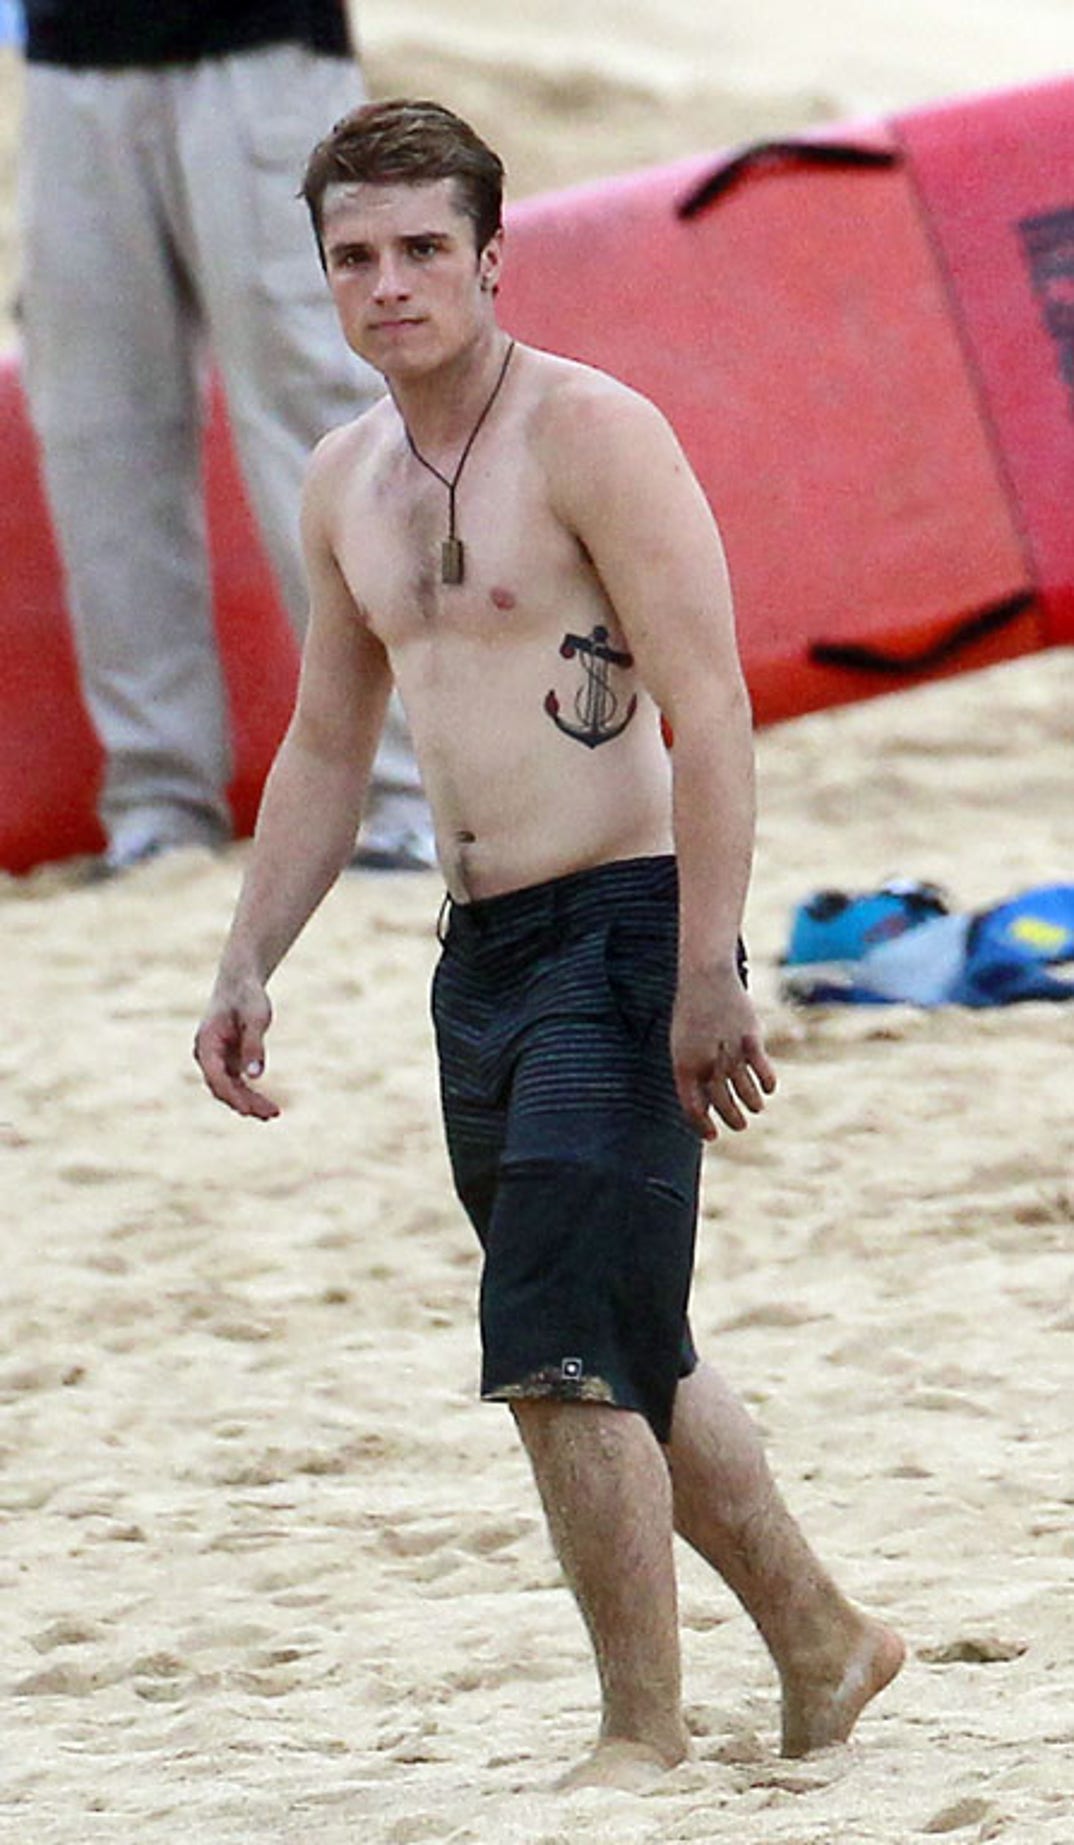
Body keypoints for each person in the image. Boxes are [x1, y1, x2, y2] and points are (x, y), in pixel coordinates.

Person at [195, 99, 905, 1788]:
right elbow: (324, 743)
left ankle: (637, 1732)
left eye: (421, 248)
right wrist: (246, 957)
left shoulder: (593, 434)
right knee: (623, 1330)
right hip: (479, 958)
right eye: (353, 257)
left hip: (620, 930)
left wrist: (706, 963)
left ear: (491, 258)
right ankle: (820, 1635)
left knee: (553, 1345)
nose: (388, 284)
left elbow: (710, 707)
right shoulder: (342, 479)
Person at [17, 0, 433, 875]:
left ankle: (414, 789)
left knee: (324, 418)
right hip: (66, 60)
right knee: (99, 434)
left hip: (260, 46)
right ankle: (157, 804)